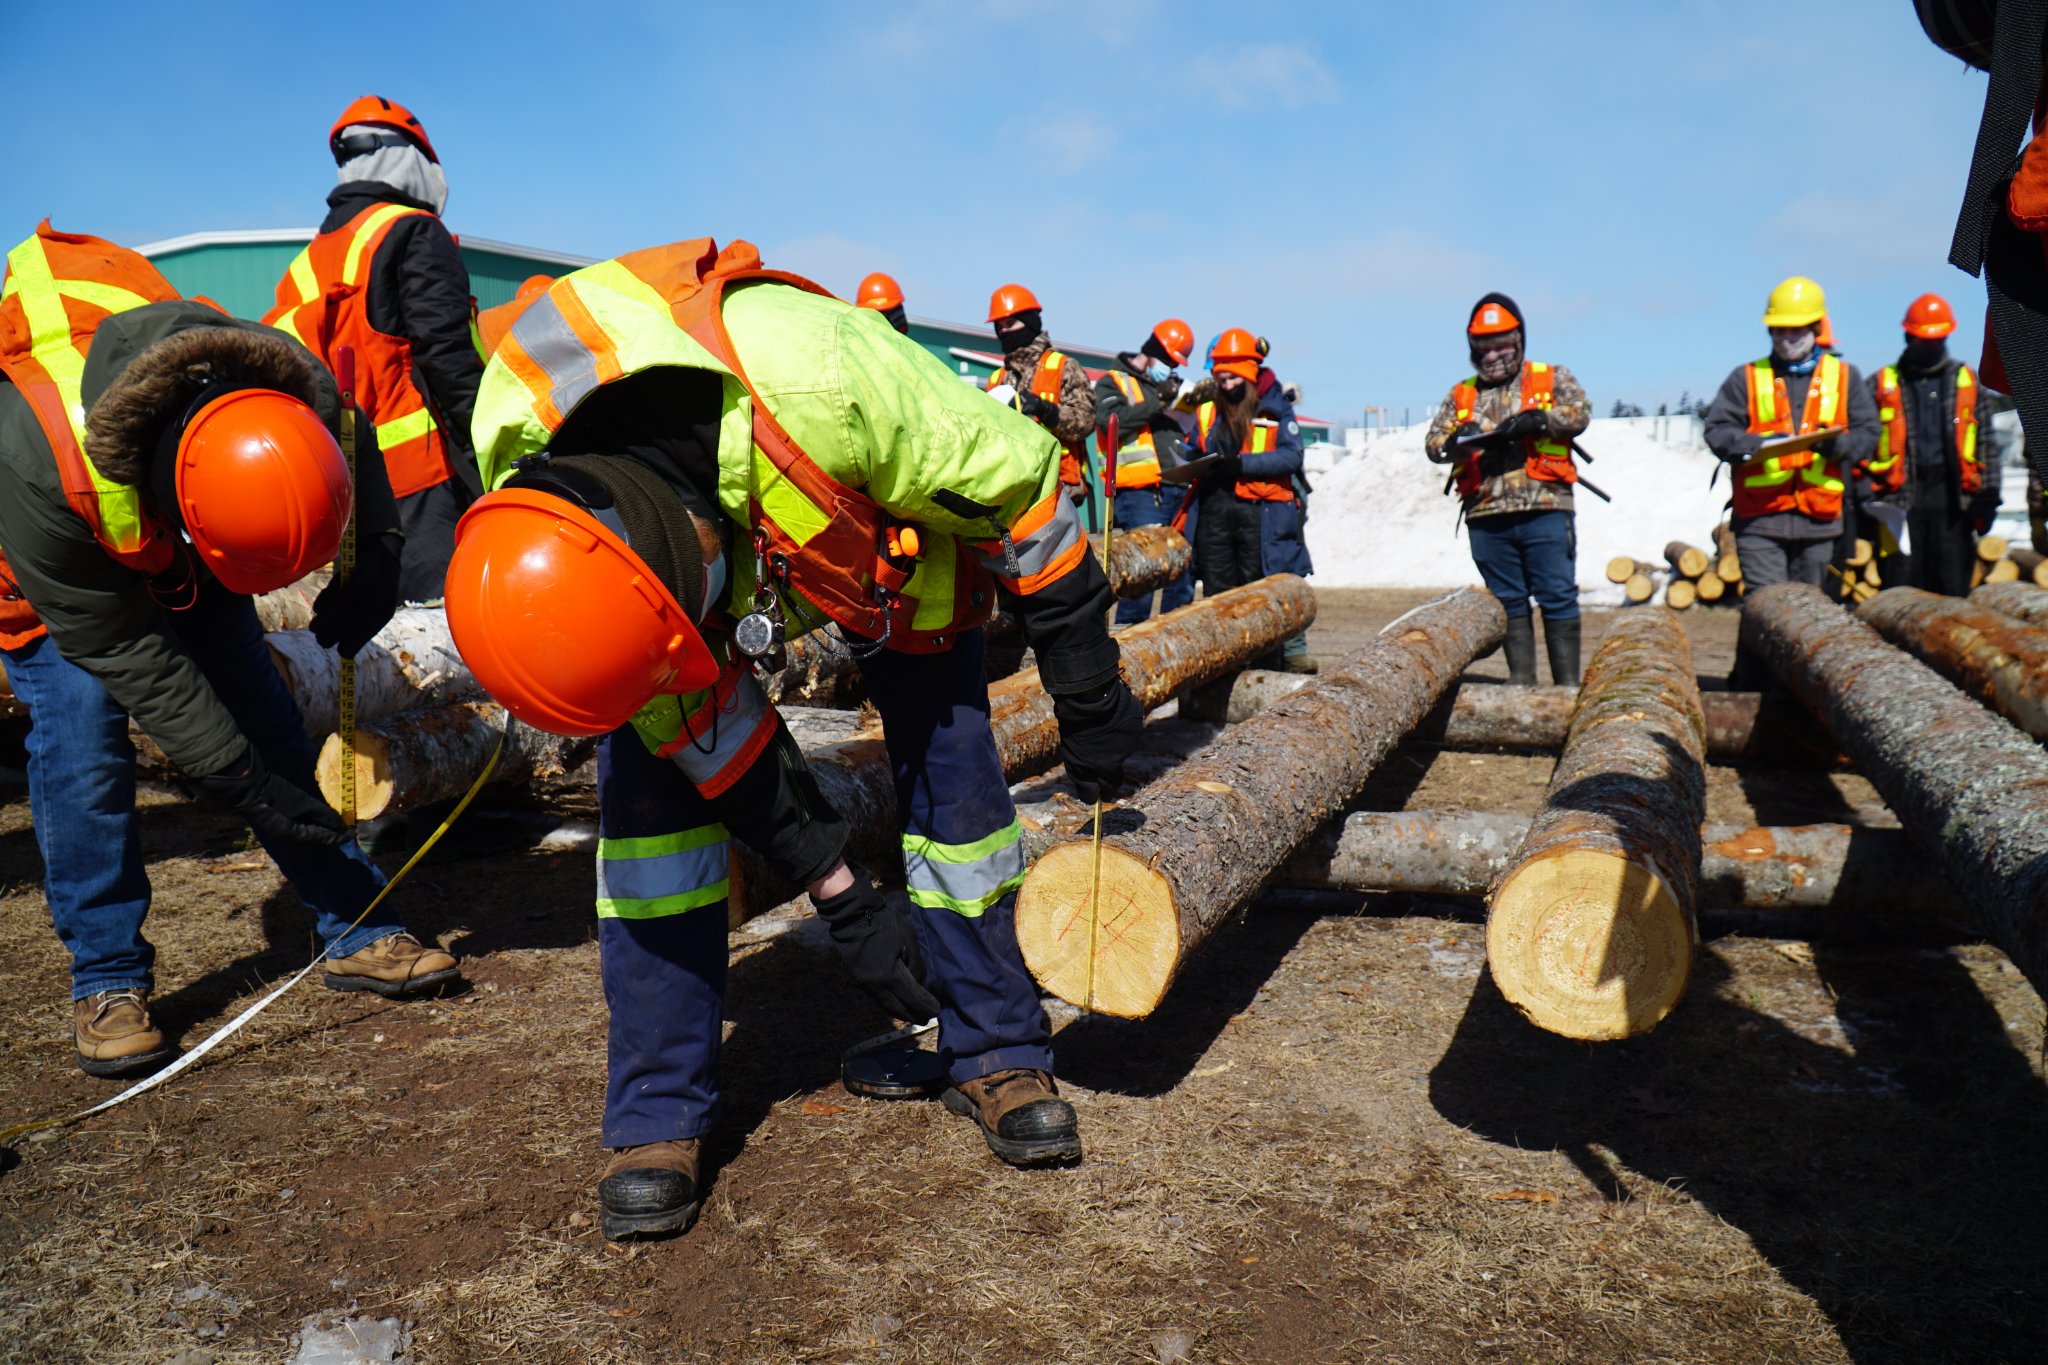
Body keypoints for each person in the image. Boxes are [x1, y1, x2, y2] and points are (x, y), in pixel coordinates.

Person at [448, 237, 1142, 1241]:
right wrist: (843, 896)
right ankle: (658, 1114)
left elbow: (1025, 486)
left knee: (954, 779)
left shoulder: (831, 379)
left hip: (897, 556)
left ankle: (996, 1049)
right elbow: (709, 733)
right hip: (647, 582)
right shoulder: (532, 501)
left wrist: (1086, 686)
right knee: (650, 824)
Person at [0, 224, 458, 1079]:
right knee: (83, 741)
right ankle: (107, 978)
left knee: (266, 715)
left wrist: (377, 554)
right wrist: (236, 775)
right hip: (47, 572)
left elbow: (349, 431)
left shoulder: (272, 375)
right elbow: (121, 643)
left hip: (175, 537)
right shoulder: (35, 456)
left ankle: (358, 926)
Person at [264, 95, 483, 604]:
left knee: (384, 634)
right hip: (424, 483)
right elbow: (445, 354)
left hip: (346, 490)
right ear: (413, 159)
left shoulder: (304, 265)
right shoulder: (412, 230)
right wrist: (494, 445)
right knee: (446, 626)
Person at [1423, 294, 1590, 686]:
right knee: (1508, 600)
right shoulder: (1461, 393)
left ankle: (1567, 689)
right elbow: (1434, 444)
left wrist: (1541, 420)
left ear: (1519, 342)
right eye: (1484, 348)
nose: (1493, 355)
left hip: (1546, 507)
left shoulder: (1552, 377)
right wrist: (1456, 440)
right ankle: (1523, 686)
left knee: (1557, 595)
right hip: (1486, 512)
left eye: (1502, 346)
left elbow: (1580, 412)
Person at [1703, 277, 1880, 594]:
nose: (1787, 338)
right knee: (1765, 606)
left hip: (1820, 519)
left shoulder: (1845, 377)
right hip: (1759, 518)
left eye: (1795, 330)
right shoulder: (1745, 377)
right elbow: (1717, 430)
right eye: (1780, 329)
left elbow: (1869, 433)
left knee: (1810, 611)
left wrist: (1838, 445)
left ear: (1815, 328)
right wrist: (1756, 444)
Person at [1192, 328, 1317, 672]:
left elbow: (1291, 456)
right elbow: (1192, 446)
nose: (1226, 385)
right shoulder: (1208, 408)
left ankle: (1267, 667)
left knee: (1259, 592)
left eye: (1233, 378)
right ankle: (1222, 668)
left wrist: (1241, 465)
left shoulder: (1276, 407)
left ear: (1249, 374)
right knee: (1219, 592)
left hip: (1258, 513)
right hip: (1215, 511)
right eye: (1221, 378)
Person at [1862, 292, 1995, 596]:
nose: (1932, 347)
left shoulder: (1966, 380)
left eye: (1938, 340)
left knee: (1952, 585)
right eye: (1925, 341)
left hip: (1954, 503)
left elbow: (1987, 442)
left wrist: (1988, 497)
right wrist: (1864, 499)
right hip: (1898, 503)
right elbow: (1863, 443)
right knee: (1900, 587)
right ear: (1909, 337)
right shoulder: (1881, 383)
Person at [1093, 318, 1196, 624]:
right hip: (1139, 493)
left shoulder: (1170, 387)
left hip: (1175, 488)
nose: (1170, 368)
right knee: (1142, 572)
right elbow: (1110, 422)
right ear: (1152, 353)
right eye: (1168, 361)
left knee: (1181, 569)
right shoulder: (1112, 382)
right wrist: (1158, 401)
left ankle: (1178, 633)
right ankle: (1129, 636)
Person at [985, 283, 1097, 504]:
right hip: (1009, 491)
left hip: (1058, 487)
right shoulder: (996, 379)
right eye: (999, 326)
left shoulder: (1064, 367)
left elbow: (1086, 421)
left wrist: (1046, 410)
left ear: (1030, 323)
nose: (1004, 331)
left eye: (1010, 323)